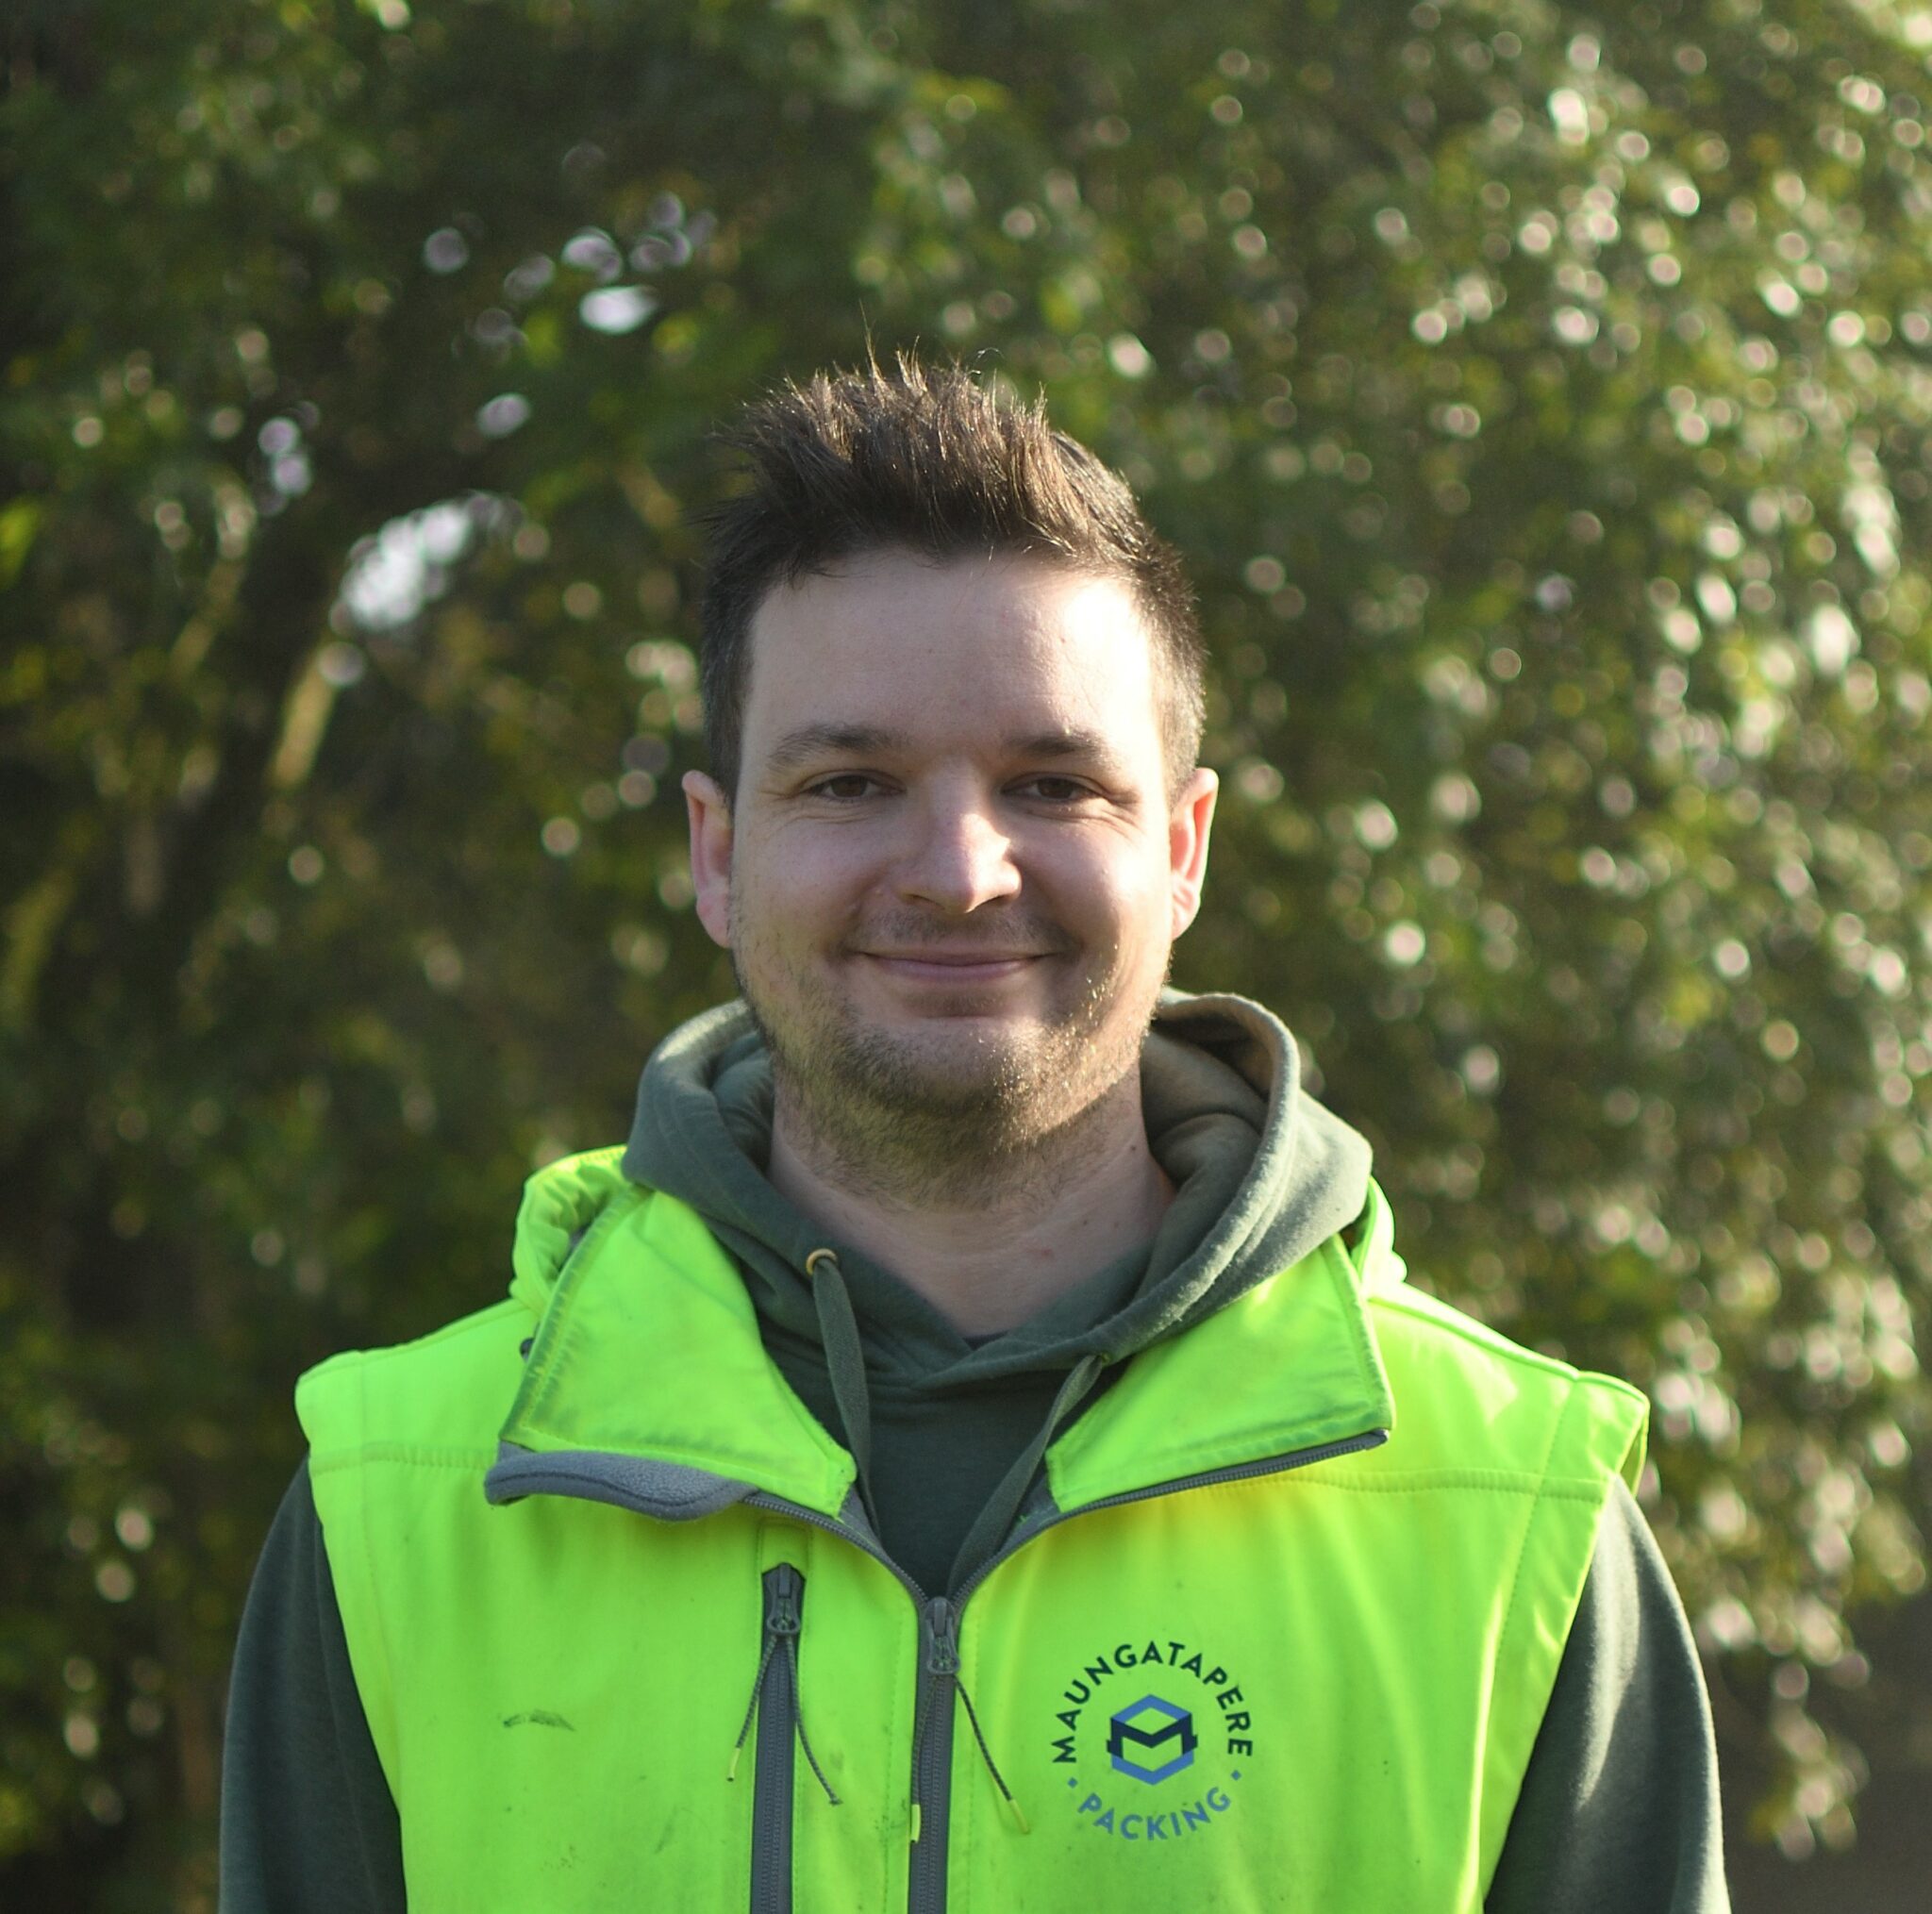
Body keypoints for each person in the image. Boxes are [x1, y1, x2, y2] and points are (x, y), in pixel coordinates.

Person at [221, 354, 1728, 1912]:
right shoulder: (402, 1500)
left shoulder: (1511, 1517)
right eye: (852, 778)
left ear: (1185, 847)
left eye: (1053, 781)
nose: (957, 867)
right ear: (718, 852)